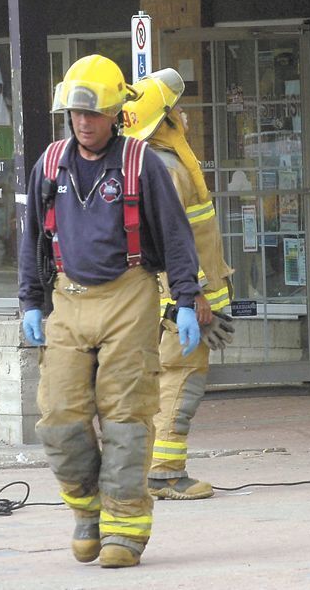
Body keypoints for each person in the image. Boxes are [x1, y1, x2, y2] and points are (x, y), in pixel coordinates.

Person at [18, 55, 202, 569]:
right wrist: (30, 302)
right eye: (75, 114)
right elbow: (32, 238)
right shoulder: (50, 165)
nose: (83, 123)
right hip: (68, 302)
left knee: (125, 419)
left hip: (129, 296)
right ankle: (87, 511)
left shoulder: (141, 164)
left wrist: (186, 300)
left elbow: (176, 237)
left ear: (116, 112)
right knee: (58, 418)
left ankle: (125, 528)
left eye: (93, 114)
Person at [121, 68, 235, 501]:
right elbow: (169, 237)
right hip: (177, 301)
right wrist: (192, 296)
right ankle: (165, 472)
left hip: (160, 297)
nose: (185, 116)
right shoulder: (166, 167)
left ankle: (147, 467)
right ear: (164, 120)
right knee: (180, 378)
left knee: (152, 382)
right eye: (178, 111)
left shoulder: (144, 163)